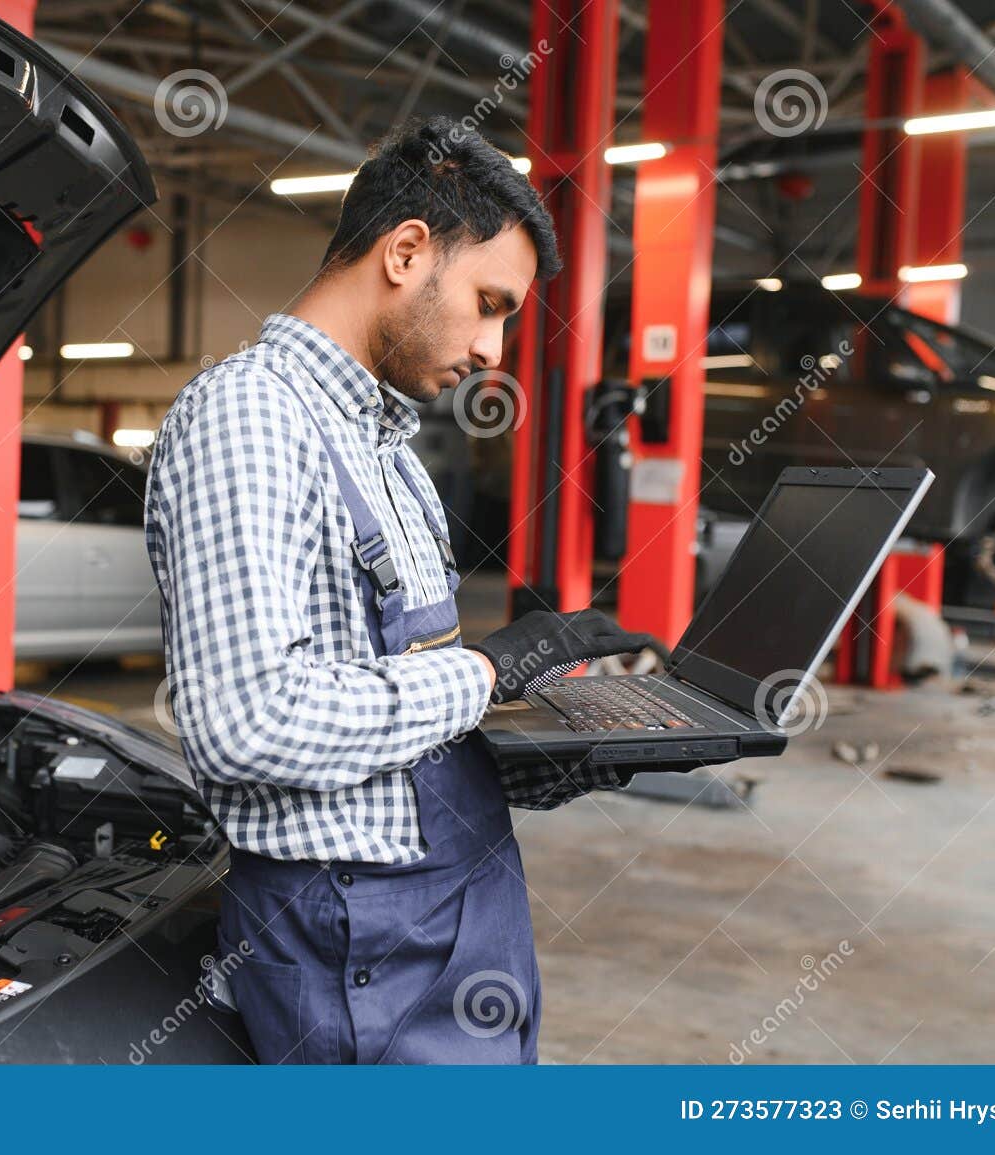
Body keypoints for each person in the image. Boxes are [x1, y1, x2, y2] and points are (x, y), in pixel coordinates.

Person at [143, 116, 651, 1064]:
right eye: (490, 302)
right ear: (407, 251)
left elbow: (396, 715)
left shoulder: (385, 445)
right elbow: (247, 719)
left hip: (453, 899)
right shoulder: (249, 416)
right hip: (359, 933)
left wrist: (556, 754)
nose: (496, 349)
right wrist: (485, 672)